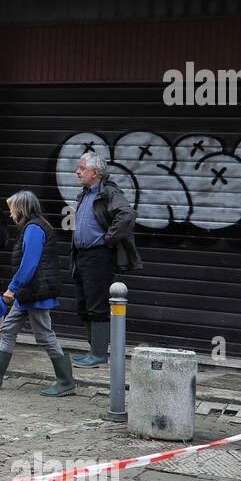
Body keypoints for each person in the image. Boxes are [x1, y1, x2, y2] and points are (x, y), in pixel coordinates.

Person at [0, 190, 75, 396]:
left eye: (12, 209)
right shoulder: (34, 226)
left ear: (21, 209)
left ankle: (66, 381)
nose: (11, 214)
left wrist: (13, 287)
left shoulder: (35, 229)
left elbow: (30, 263)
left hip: (36, 291)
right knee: (8, 328)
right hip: (30, 292)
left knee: (45, 336)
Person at [70, 152, 141, 366]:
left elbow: (127, 215)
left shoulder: (109, 192)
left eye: (82, 168)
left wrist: (108, 238)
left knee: (97, 305)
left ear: (95, 173)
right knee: (84, 304)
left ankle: (99, 355)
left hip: (98, 257)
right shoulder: (85, 194)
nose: (78, 171)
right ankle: (93, 350)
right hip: (82, 256)